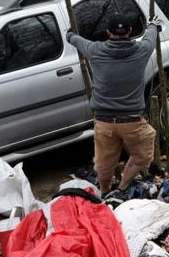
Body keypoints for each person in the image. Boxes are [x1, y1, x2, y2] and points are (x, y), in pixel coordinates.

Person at [67, 12, 160, 196]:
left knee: (104, 165)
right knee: (142, 157)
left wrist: (70, 33)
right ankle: (122, 188)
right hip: (133, 121)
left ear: (108, 33)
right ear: (130, 31)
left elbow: (75, 40)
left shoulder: (95, 50)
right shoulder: (142, 50)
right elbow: (151, 36)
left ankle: (105, 193)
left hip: (104, 122)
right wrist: (153, 26)